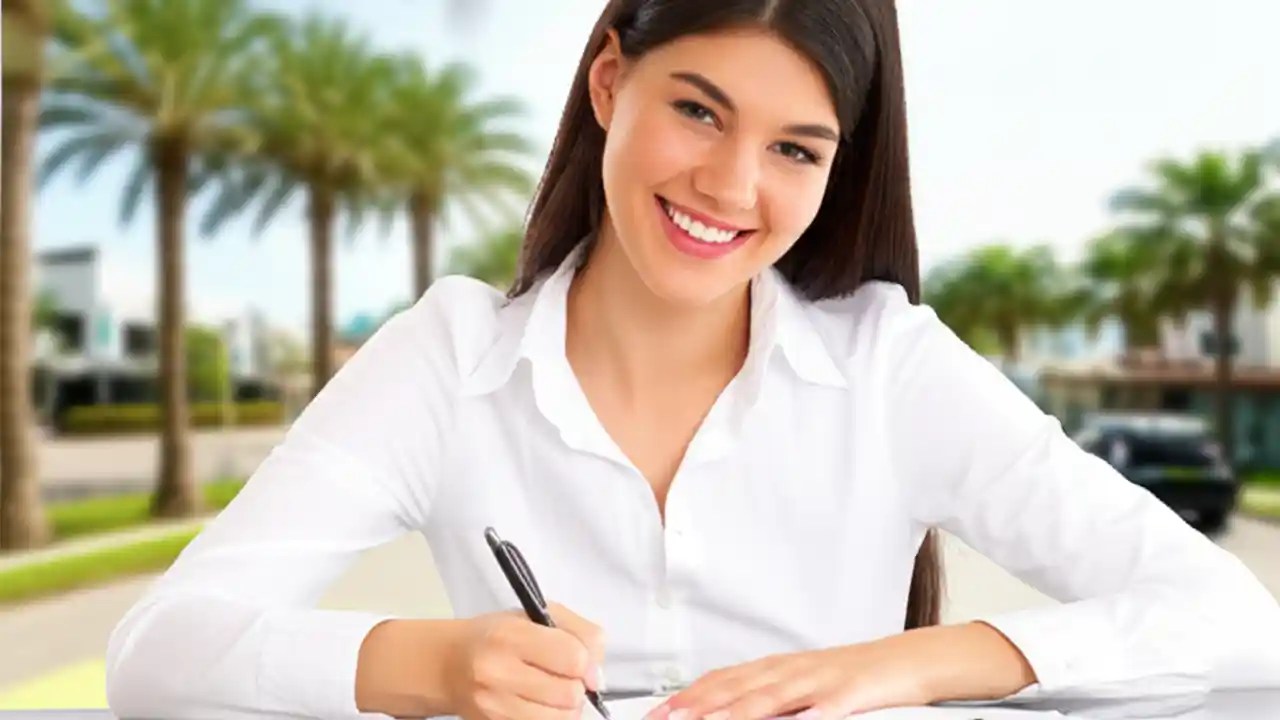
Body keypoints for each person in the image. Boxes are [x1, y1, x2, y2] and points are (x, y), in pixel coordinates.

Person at [105, 1, 1280, 719]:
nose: (730, 189)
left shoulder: (888, 368)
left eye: (795, 149)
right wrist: (434, 663)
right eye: (699, 112)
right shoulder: (446, 361)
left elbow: (1235, 626)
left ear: (836, 170)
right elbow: (157, 660)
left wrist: (903, 669)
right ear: (608, 81)